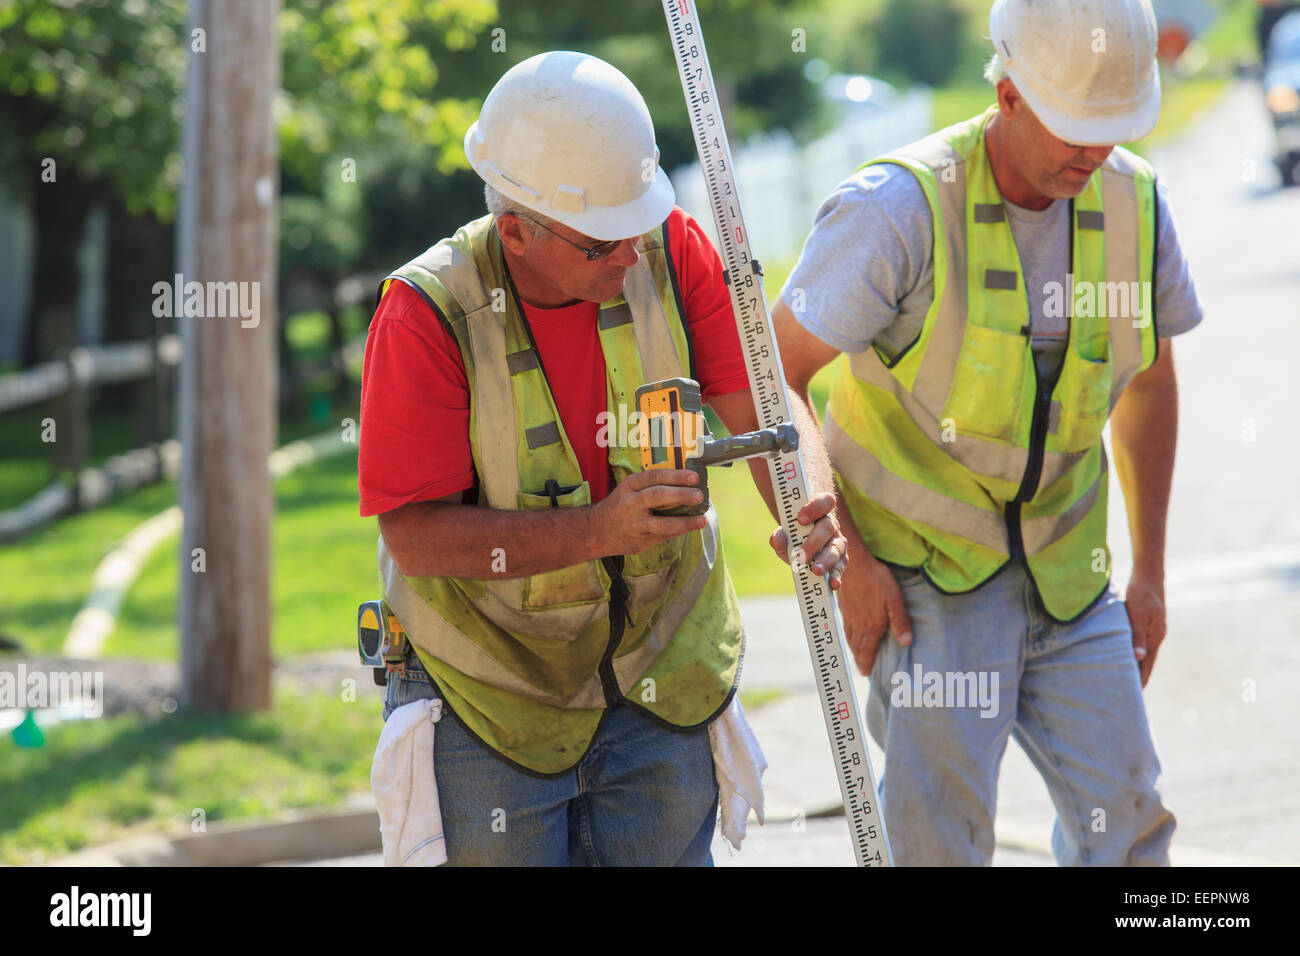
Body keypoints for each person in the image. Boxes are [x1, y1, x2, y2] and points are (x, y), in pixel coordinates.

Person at [357, 51, 845, 866]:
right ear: (515, 231)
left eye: (637, 226)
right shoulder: (427, 315)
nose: (629, 255)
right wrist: (600, 531)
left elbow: (766, 403)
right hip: (491, 704)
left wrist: (811, 501)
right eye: (600, 243)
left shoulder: (670, 249)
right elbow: (417, 537)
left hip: (661, 677)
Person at [772, 0, 1201, 865]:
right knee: (941, 845)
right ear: (1007, 93)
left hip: (1070, 580)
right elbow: (769, 378)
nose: (1095, 149)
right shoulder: (897, 210)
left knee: (1129, 823)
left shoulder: (1134, 202)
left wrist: (1149, 569)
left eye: (1113, 126)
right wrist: (844, 558)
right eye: (1075, 125)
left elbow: (1147, 382)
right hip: (926, 587)